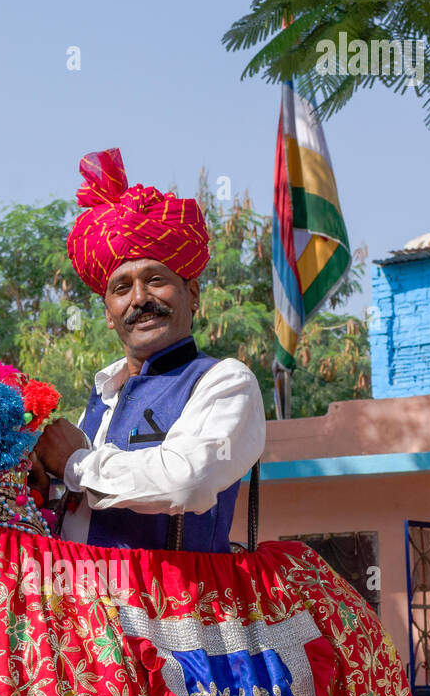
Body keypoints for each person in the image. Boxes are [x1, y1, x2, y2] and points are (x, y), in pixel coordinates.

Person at [34, 146, 266, 552]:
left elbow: (187, 481)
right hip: (87, 606)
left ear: (191, 294)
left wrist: (75, 464)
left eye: (156, 280)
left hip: (181, 610)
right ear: (109, 313)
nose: (139, 298)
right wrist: (47, 484)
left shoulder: (225, 381)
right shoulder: (104, 393)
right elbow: (91, 509)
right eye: (122, 288)